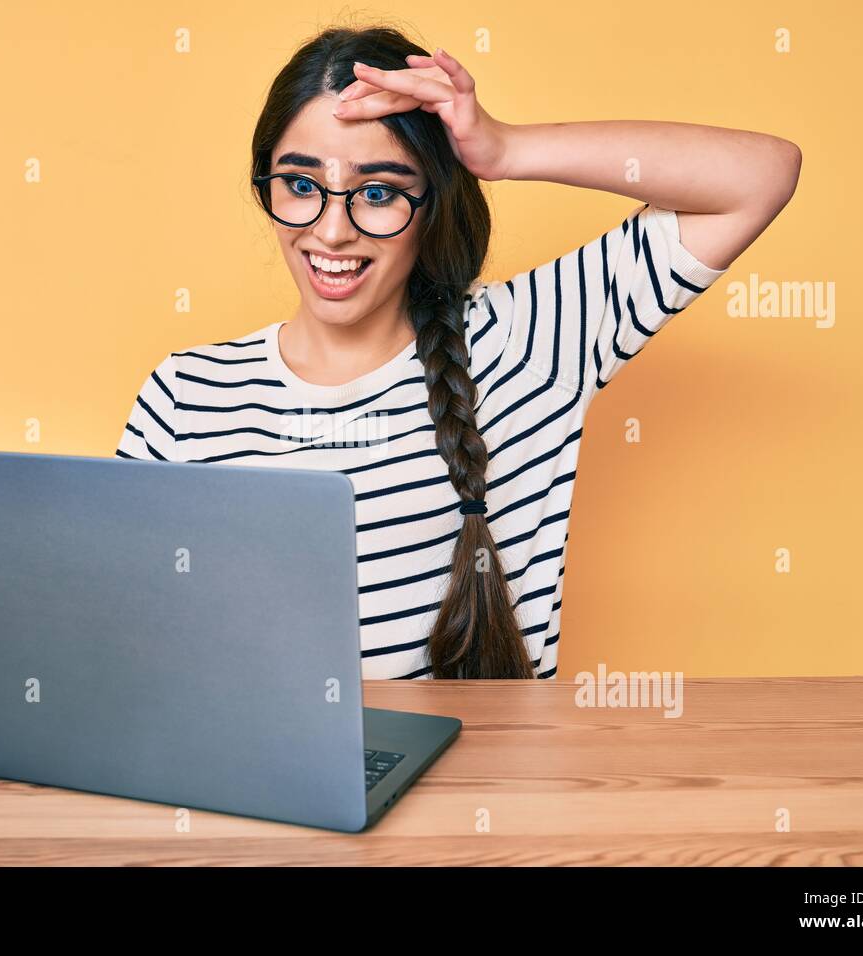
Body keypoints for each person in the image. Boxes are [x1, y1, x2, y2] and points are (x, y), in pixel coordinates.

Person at [118, 26, 801, 680]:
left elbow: (760, 175)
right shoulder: (186, 395)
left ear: (432, 203)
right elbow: (123, 643)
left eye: (378, 192)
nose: (330, 231)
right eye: (300, 184)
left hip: (487, 796)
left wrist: (504, 151)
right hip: (254, 795)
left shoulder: (525, 344)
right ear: (262, 184)